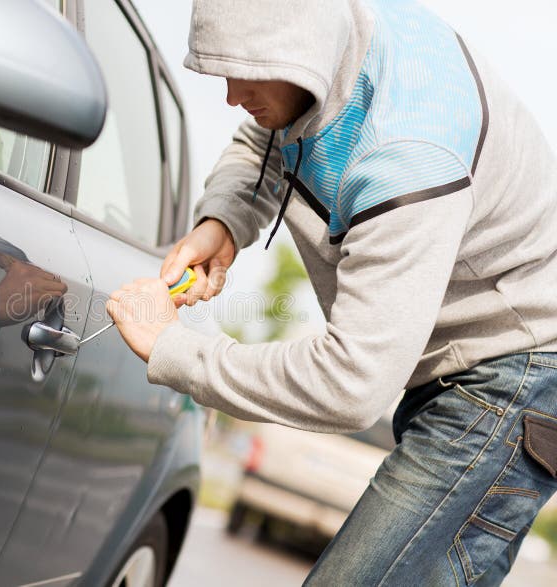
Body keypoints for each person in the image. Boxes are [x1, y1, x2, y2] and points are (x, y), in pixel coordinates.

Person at [105, 0, 557, 584]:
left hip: (512, 373)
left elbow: (351, 382)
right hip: (463, 367)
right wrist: (224, 221)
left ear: (302, 54)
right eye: (222, 71)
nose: (231, 94)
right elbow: (264, 138)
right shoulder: (332, 51)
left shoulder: (410, 156)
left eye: (245, 71)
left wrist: (176, 349)